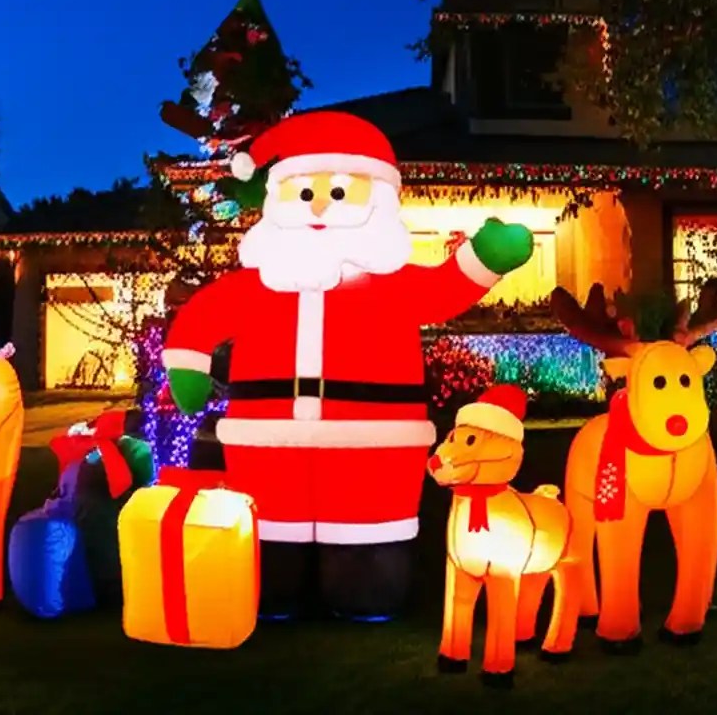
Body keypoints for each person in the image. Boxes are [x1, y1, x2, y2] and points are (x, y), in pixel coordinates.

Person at [162, 110, 535, 619]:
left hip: (372, 445)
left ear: (376, 200)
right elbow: (204, 314)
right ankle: (275, 587)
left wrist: (485, 256)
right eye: (304, 191)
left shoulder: (392, 284)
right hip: (268, 442)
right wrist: (188, 365)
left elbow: (444, 288)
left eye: (339, 192)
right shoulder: (259, 282)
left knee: (367, 538)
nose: (318, 205)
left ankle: (364, 586)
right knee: (272, 531)